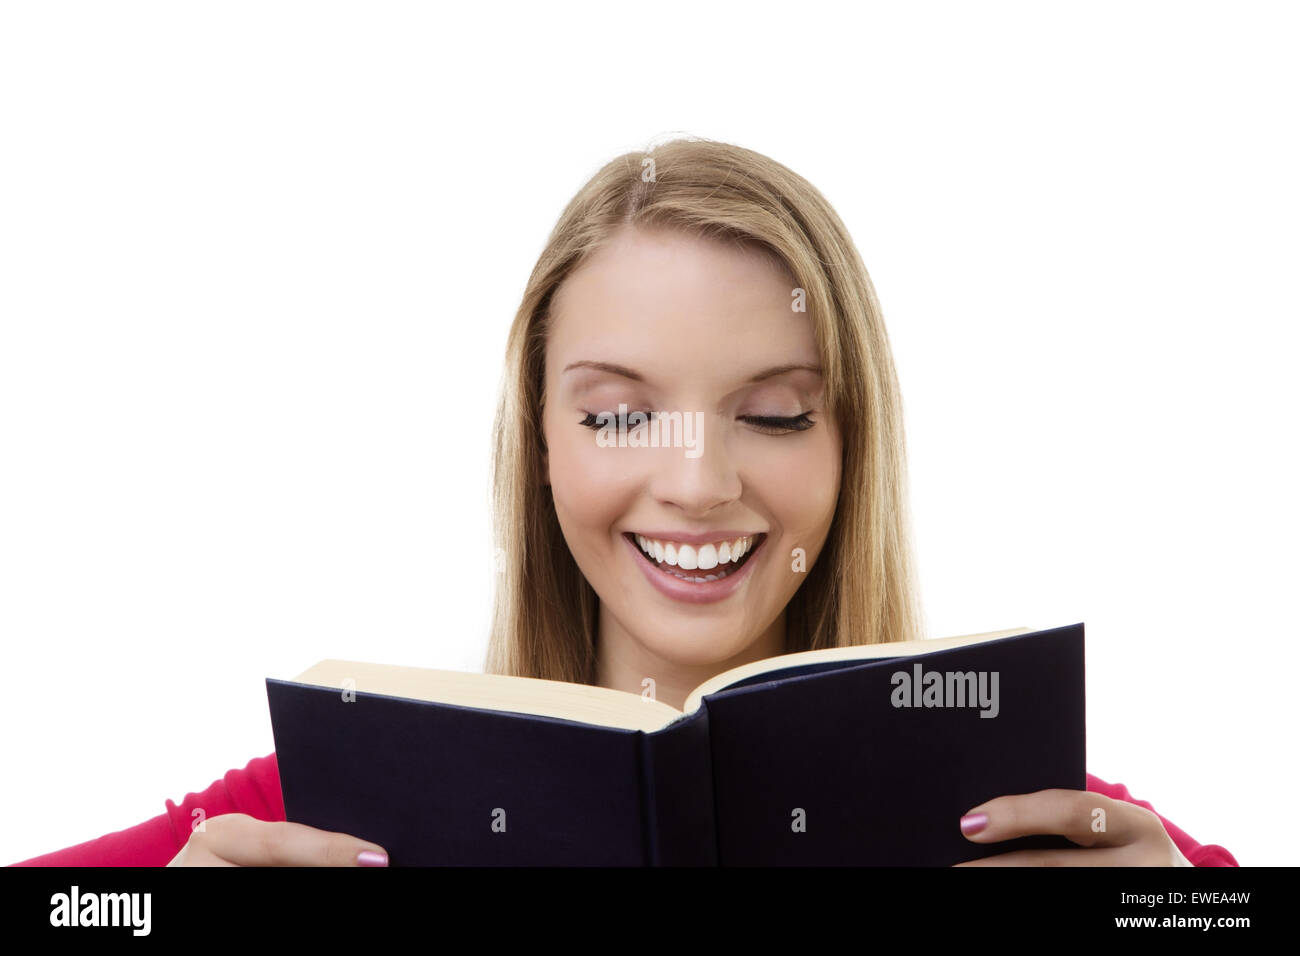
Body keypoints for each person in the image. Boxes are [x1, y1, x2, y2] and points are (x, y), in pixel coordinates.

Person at [9, 138, 1238, 867]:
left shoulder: (1048, 834)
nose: (698, 480)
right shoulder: (320, 812)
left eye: (773, 410)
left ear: (851, 447)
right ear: (538, 443)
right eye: (614, 413)